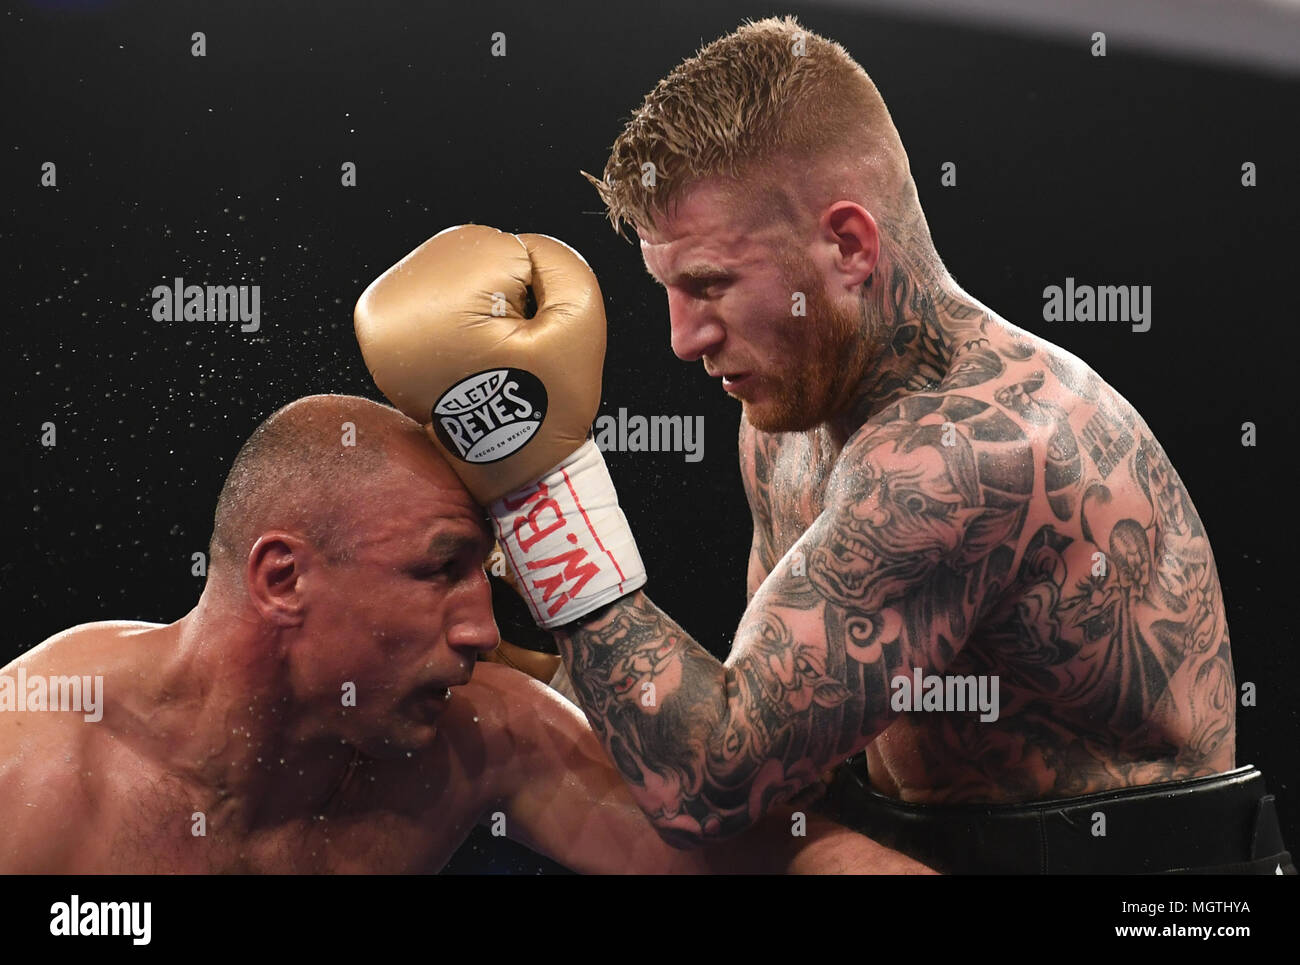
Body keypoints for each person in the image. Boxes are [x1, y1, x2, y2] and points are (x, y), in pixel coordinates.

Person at [352, 18, 1292, 875]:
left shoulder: (974, 452)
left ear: (848, 245)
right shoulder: (786, 427)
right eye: (668, 289)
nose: (683, 337)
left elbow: (712, 787)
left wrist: (538, 477)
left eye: (712, 283)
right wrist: (543, 662)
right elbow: (779, 753)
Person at [0, 394, 931, 874]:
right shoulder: (39, 767)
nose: (485, 630)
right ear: (281, 578)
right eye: (438, 569)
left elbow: (757, 856)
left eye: (484, 578)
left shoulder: (470, 738)